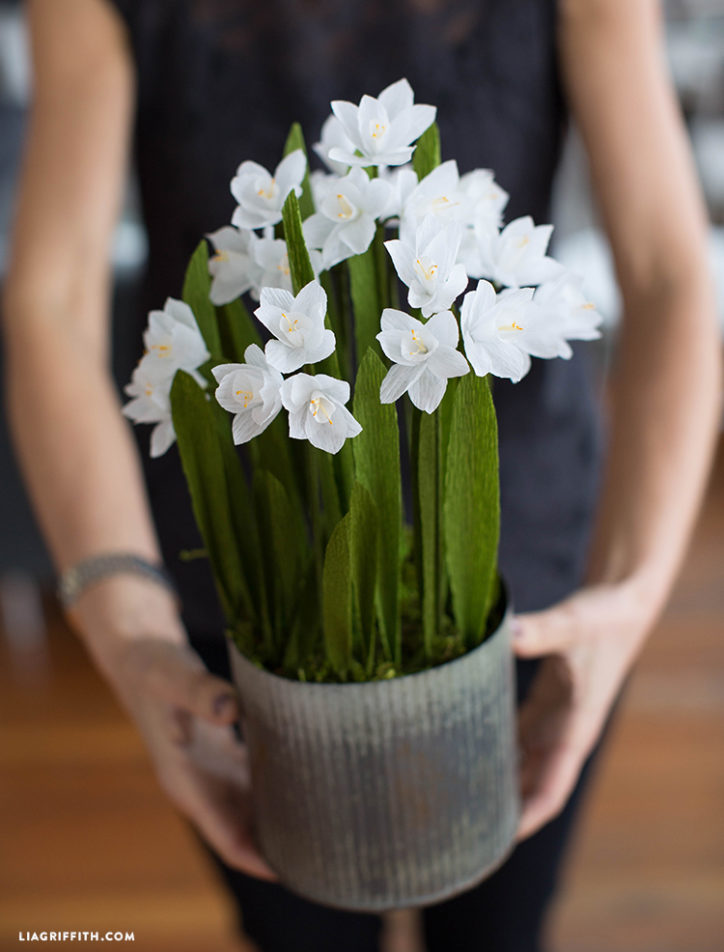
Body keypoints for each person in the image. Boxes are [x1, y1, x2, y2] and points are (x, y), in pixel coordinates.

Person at [3, 0, 721, 949]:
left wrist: (631, 597)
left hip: (528, 576)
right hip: (243, 578)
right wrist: (125, 627)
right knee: (295, 925)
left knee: (501, 928)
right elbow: (50, 299)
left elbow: (671, 273)